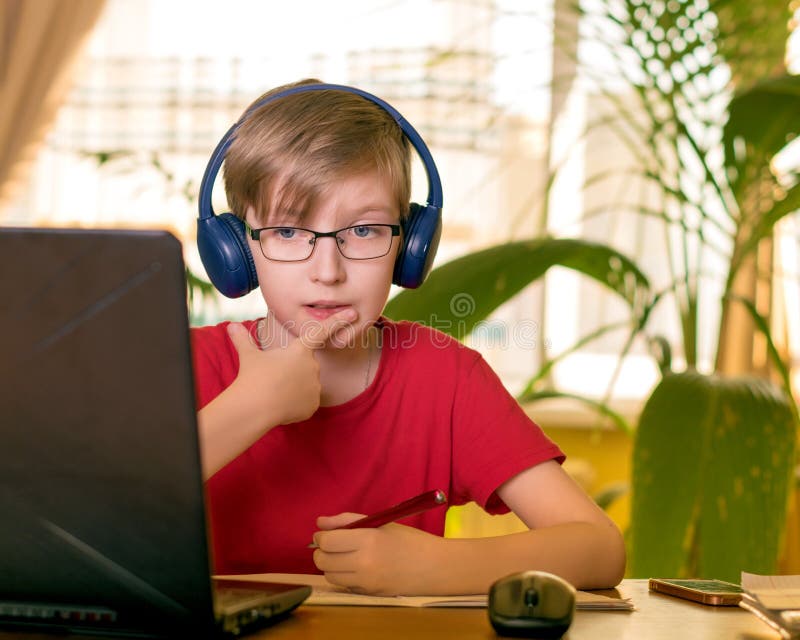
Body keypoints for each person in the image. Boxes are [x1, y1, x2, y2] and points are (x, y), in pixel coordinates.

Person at [190, 79, 626, 596]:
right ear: (237, 249)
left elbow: (600, 549)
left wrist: (439, 566)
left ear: (410, 246)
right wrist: (249, 408)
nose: (327, 271)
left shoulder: (445, 379)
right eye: (287, 232)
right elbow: (82, 520)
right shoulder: (190, 366)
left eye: (364, 230)